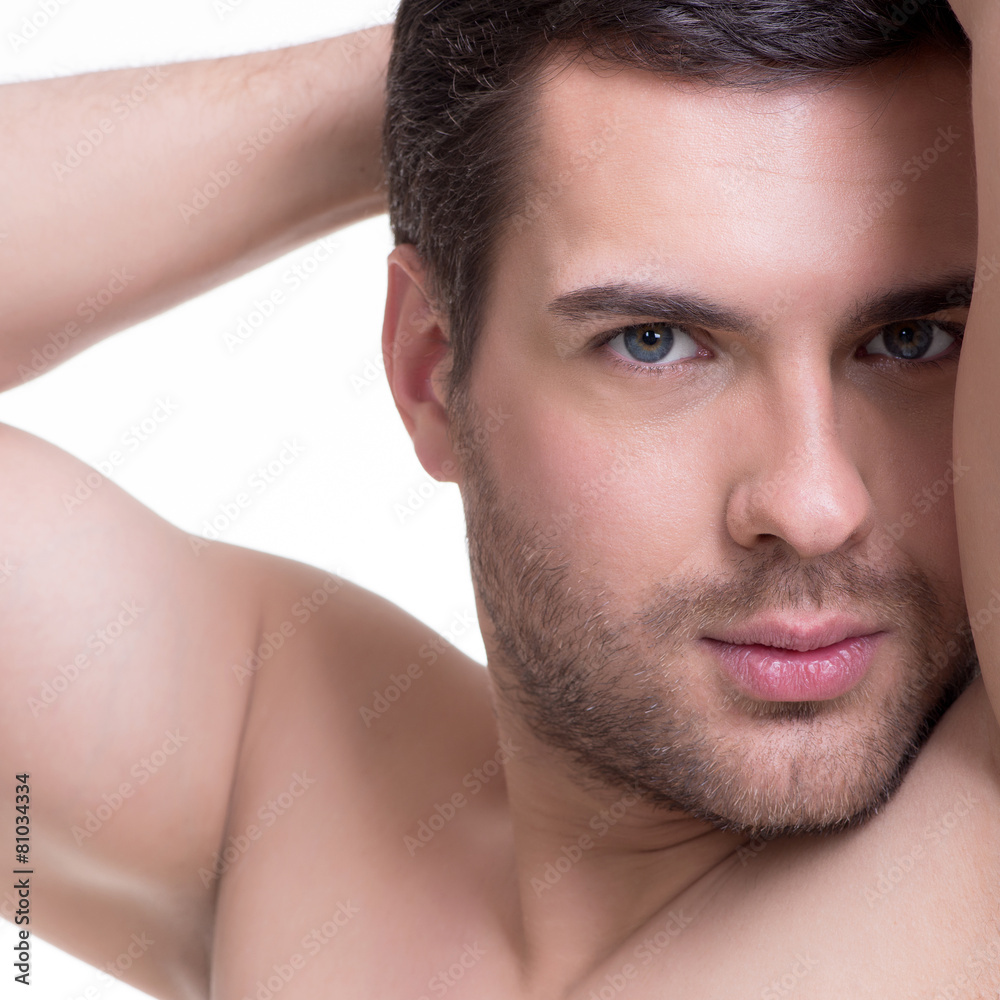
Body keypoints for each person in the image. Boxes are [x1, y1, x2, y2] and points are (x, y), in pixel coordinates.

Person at [2, 0, 1000, 996]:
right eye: (652, 340)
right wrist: (467, 76)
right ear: (432, 371)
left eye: (912, 339)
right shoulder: (283, 798)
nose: (813, 503)